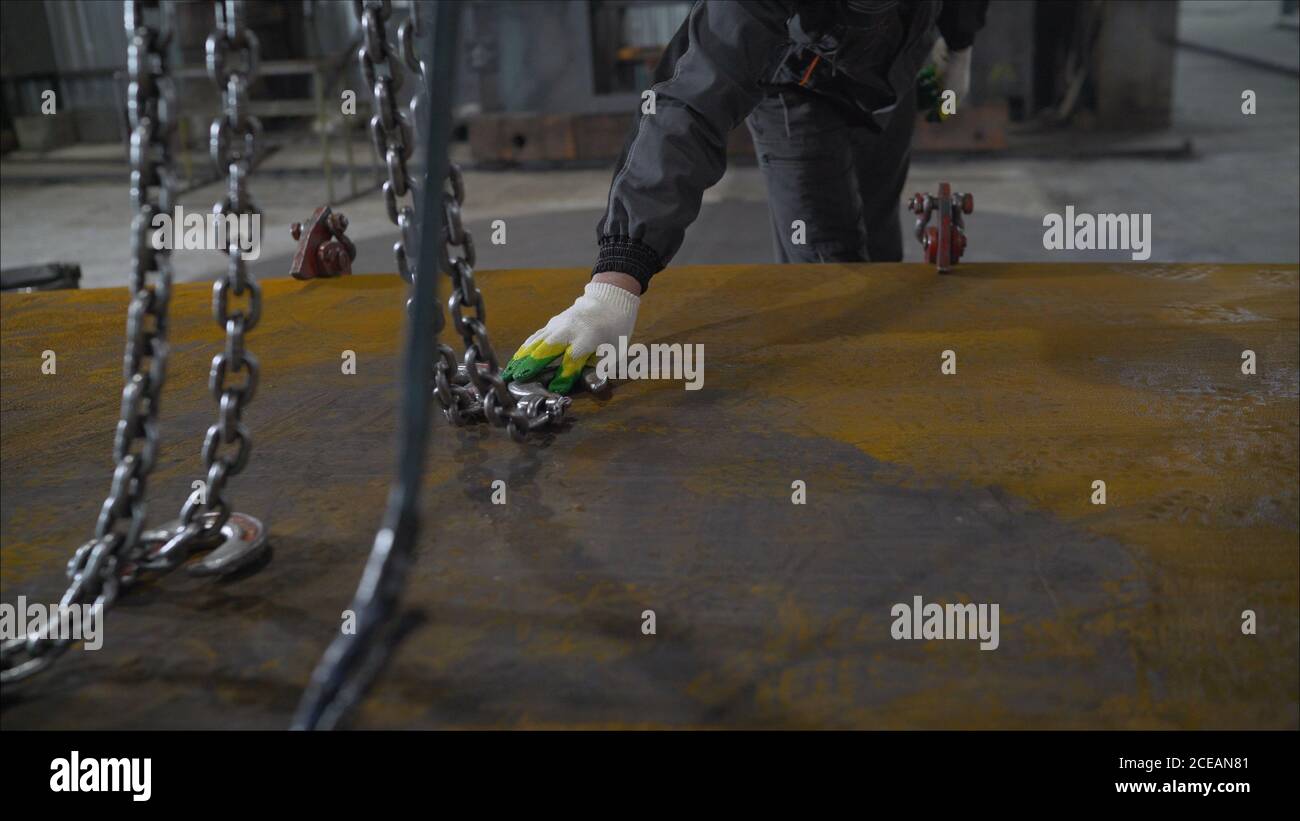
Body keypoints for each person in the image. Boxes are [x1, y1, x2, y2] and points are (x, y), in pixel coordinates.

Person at [501, 0, 988, 394]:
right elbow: (690, 104)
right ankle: (840, 436)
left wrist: (959, 43)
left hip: (893, 69)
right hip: (799, 82)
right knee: (831, 270)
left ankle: (883, 403)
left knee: (878, 249)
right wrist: (615, 283)